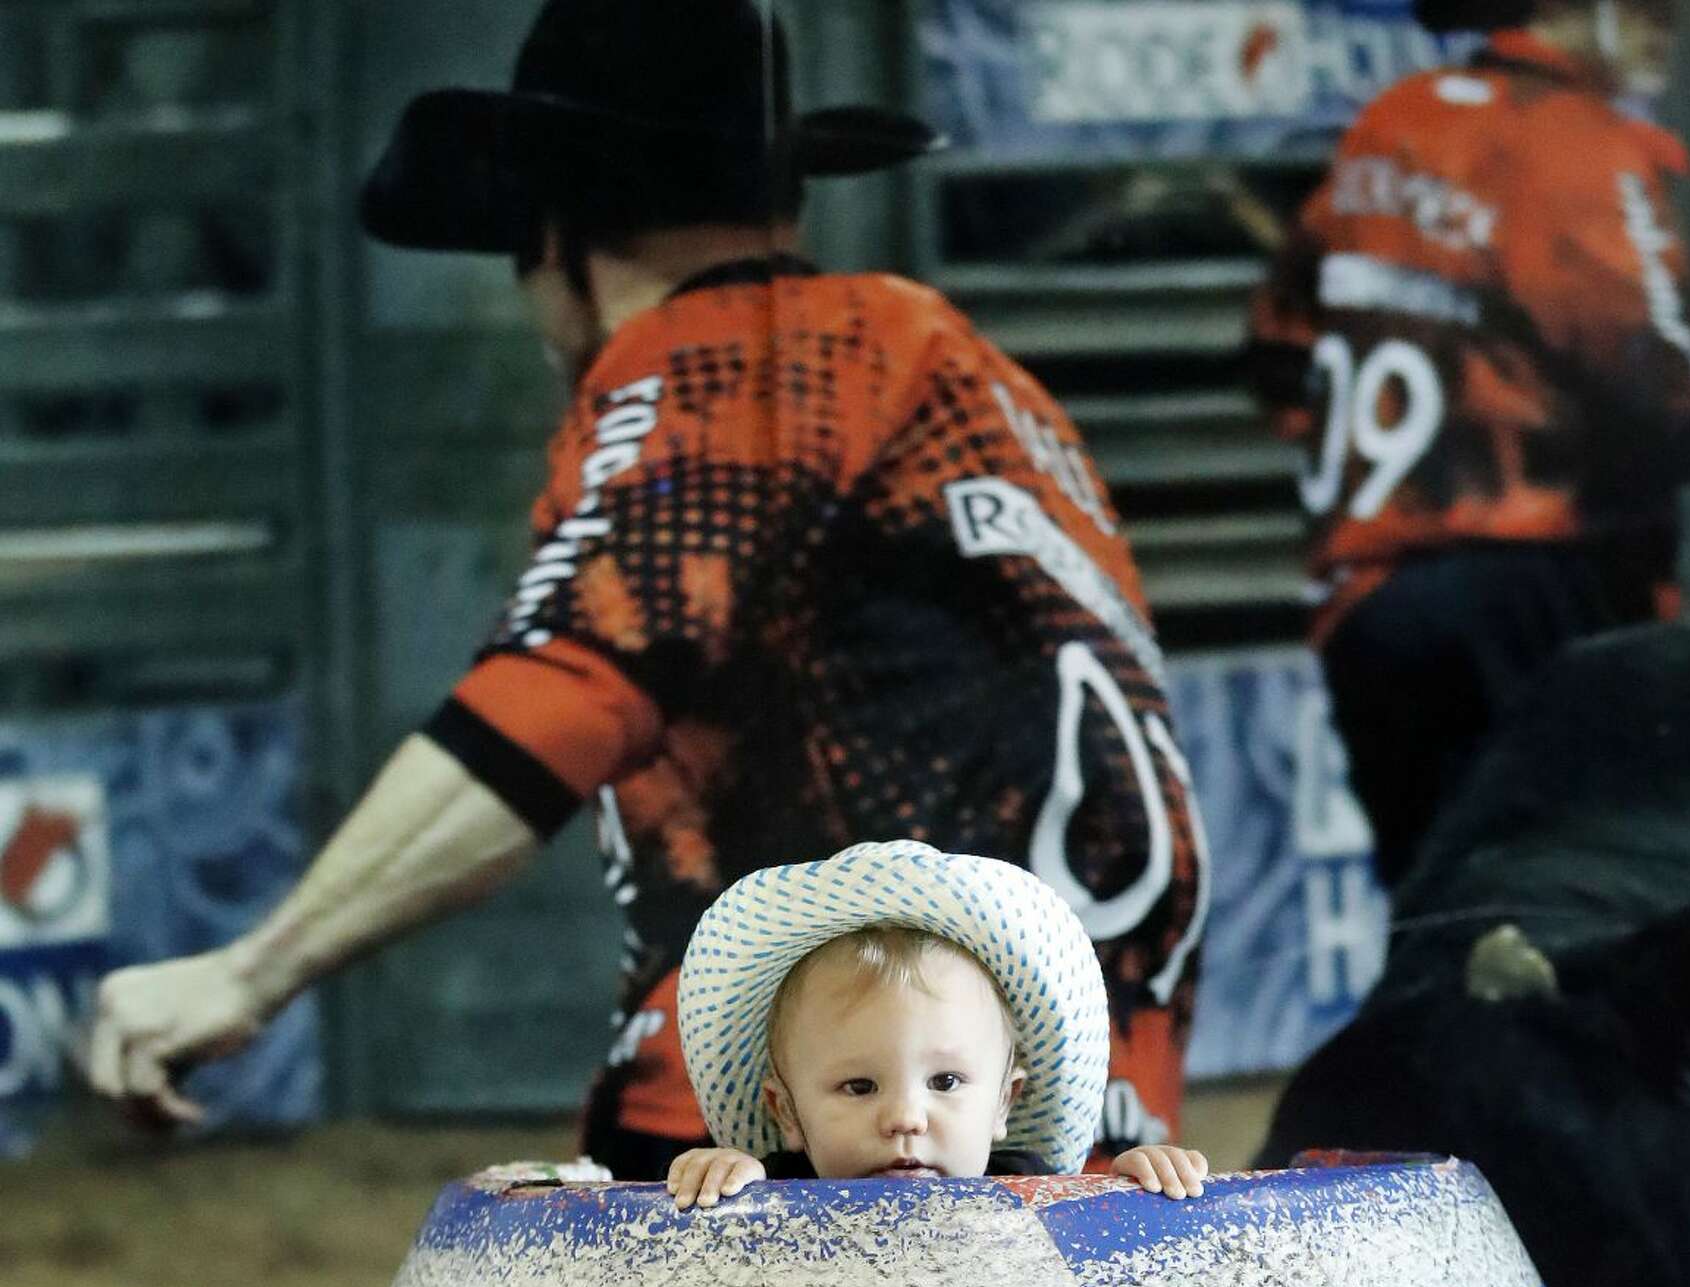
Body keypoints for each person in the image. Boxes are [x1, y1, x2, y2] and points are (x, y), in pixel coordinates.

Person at [87, 0, 1208, 1165]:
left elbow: (566, 688)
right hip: (1048, 1084)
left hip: (844, 1105)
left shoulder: (739, 361)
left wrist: (248, 972)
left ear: (553, 237)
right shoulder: (958, 375)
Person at [1245, 0, 1690, 886]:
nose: (1671, 17)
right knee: (1580, 925)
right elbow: (1657, 381)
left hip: (1371, 611)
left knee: (1445, 930)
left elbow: (1275, 352)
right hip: (1530, 594)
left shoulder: (1392, 122)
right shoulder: (1572, 142)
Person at [664, 843, 1208, 1206]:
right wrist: (725, 1183)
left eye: (945, 1082)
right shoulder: (775, 1192)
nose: (905, 1119)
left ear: (1003, 1101)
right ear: (786, 1112)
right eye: (859, 1086)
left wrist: (1133, 1187)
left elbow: (1101, 1266)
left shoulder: (1034, 1191)